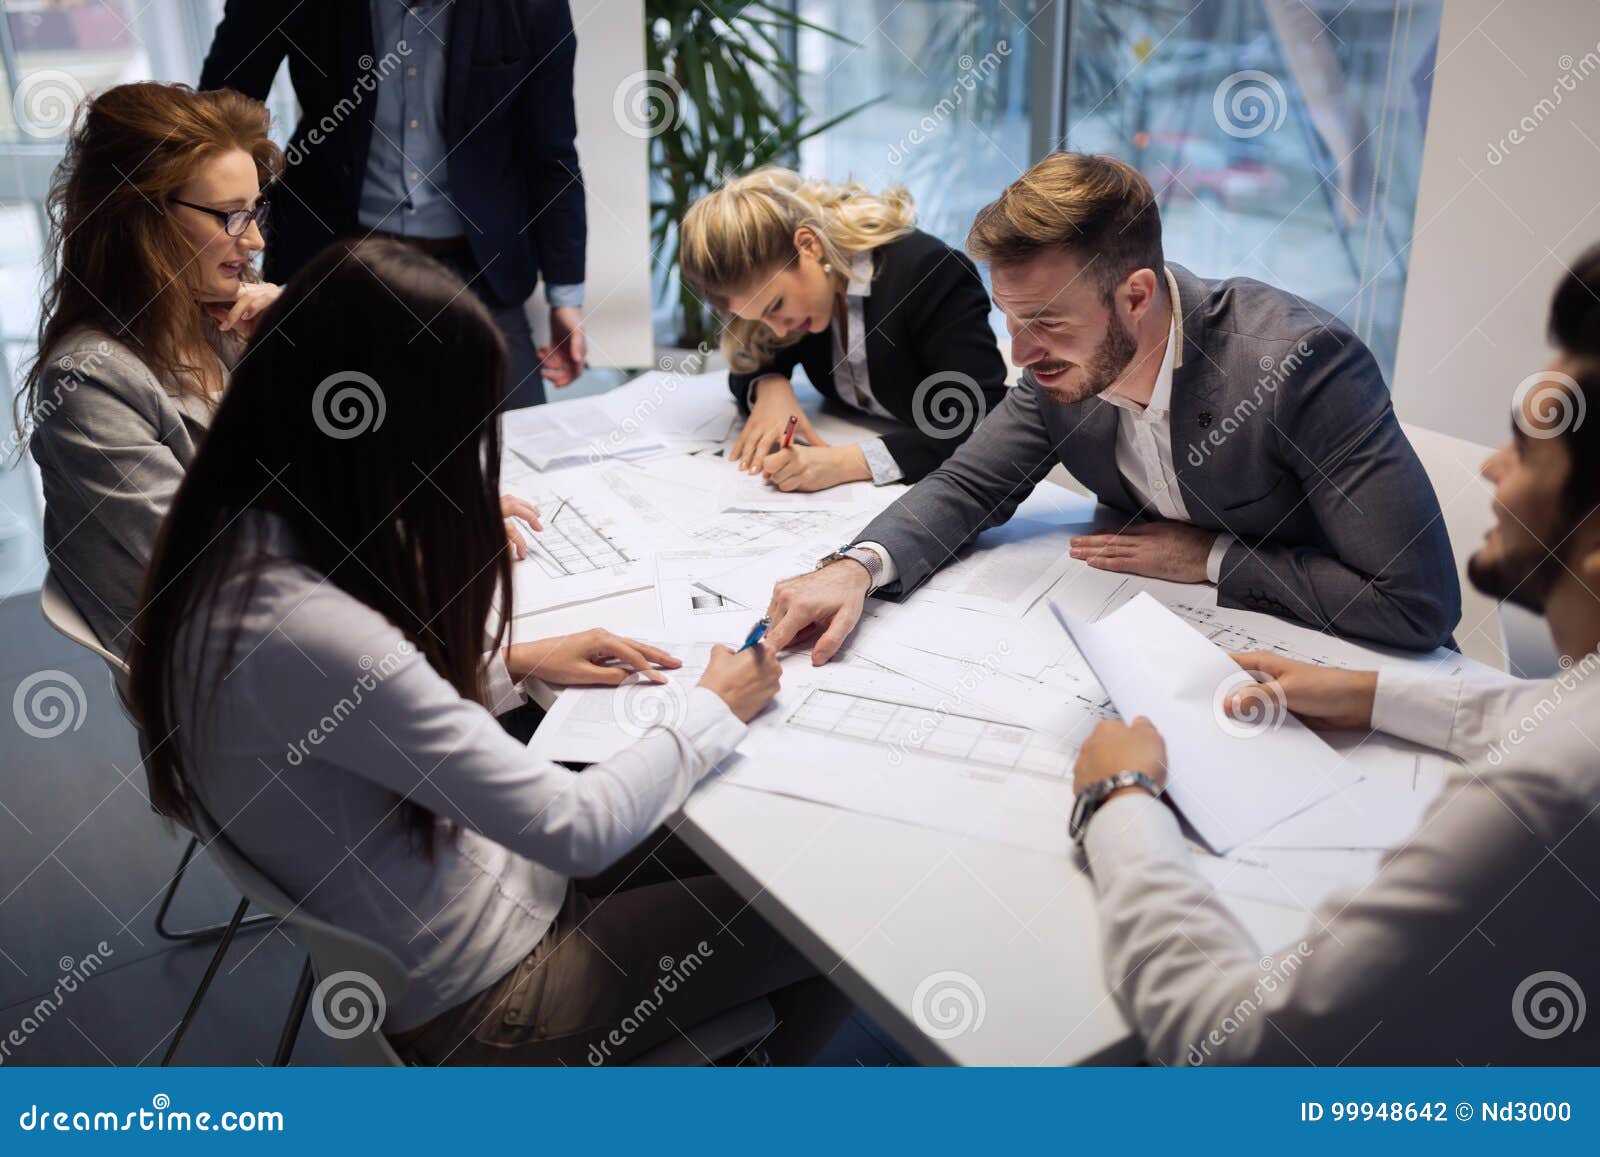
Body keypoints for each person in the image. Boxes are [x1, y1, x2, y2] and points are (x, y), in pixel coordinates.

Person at [126, 238, 848, 1066]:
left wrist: (518, 660)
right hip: (496, 995)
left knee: (741, 832)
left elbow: (360, 721)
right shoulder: (310, 631)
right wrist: (717, 703)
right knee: (829, 917)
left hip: (463, 910)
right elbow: (578, 828)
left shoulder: (224, 539)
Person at [1068, 247, 1600, 1064]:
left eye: (1527, 450)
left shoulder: (1553, 791)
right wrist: (1367, 692)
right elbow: (1551, 712)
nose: (1491, 469)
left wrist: (1118, 801)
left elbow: (1243, 1052)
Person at [760, 152, 1460, 661]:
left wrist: (1214, 558)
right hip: (1159, 644)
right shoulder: (1058, 370)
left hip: (1338, 664)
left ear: (1135, 295)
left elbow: (1416, 603)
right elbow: (968, 484)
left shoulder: (1299, 366)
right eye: (1010, 317)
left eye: (1046, 320)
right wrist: (854, 567)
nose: (1022, 352)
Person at [199, 0, 587, 408]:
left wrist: (566, 298)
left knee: (516, 441)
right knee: (322, 435)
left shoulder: (532, 7)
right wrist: (225, 240)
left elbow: (552, 155)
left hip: (475, 267)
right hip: (335, 252)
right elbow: (217, 116)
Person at [19, 82, 283, 656]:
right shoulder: (88, 383)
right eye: (231, 217)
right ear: (144, 219)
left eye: (256, 211)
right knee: (508, 659)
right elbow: (227, 564)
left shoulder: (228, 320)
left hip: (304, 626)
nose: (256, 239)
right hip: (230, 672)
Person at [678, 169, 1008, 490]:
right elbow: (751, 362)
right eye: (758, 319)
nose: (778, 331)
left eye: (776, 306)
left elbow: (982, 412)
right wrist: (770, 386)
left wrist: (846, 464)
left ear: (808, 246)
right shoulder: (804, 293)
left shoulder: (928, 273)